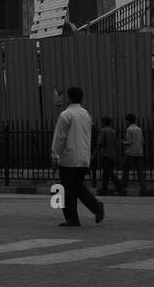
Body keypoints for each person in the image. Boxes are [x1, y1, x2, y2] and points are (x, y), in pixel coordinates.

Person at [51, 85, 105, 227]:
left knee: (67, 189)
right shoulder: (86, 115)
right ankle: (96, 207)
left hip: (69, 158)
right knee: (77, 186)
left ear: (69, 98)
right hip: (83, 158)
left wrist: (55, 156)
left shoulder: (65, 115)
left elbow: (59, 137)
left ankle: (72, 217)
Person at [120, 113, 146, 195]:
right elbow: (143, 141)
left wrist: (123, 142)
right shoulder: (139, 129)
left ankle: (123, 189)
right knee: (140, 172)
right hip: (139, 153)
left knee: (126, 171)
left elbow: (129, 142)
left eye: (126, 121)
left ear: (128, 121)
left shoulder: (129, 129)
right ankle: (143, 189)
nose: (125, 122)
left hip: (130, 153)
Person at [96, 116, 121, 195]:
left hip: (106, 155)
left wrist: (94, 155)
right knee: (106, 174)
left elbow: (100, 143)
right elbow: (116, 144)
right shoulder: (113, 131)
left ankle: (119, 187)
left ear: (103, 123)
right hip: (112, 155)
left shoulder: (104, 131)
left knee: (109, 173)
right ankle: (103, 189)